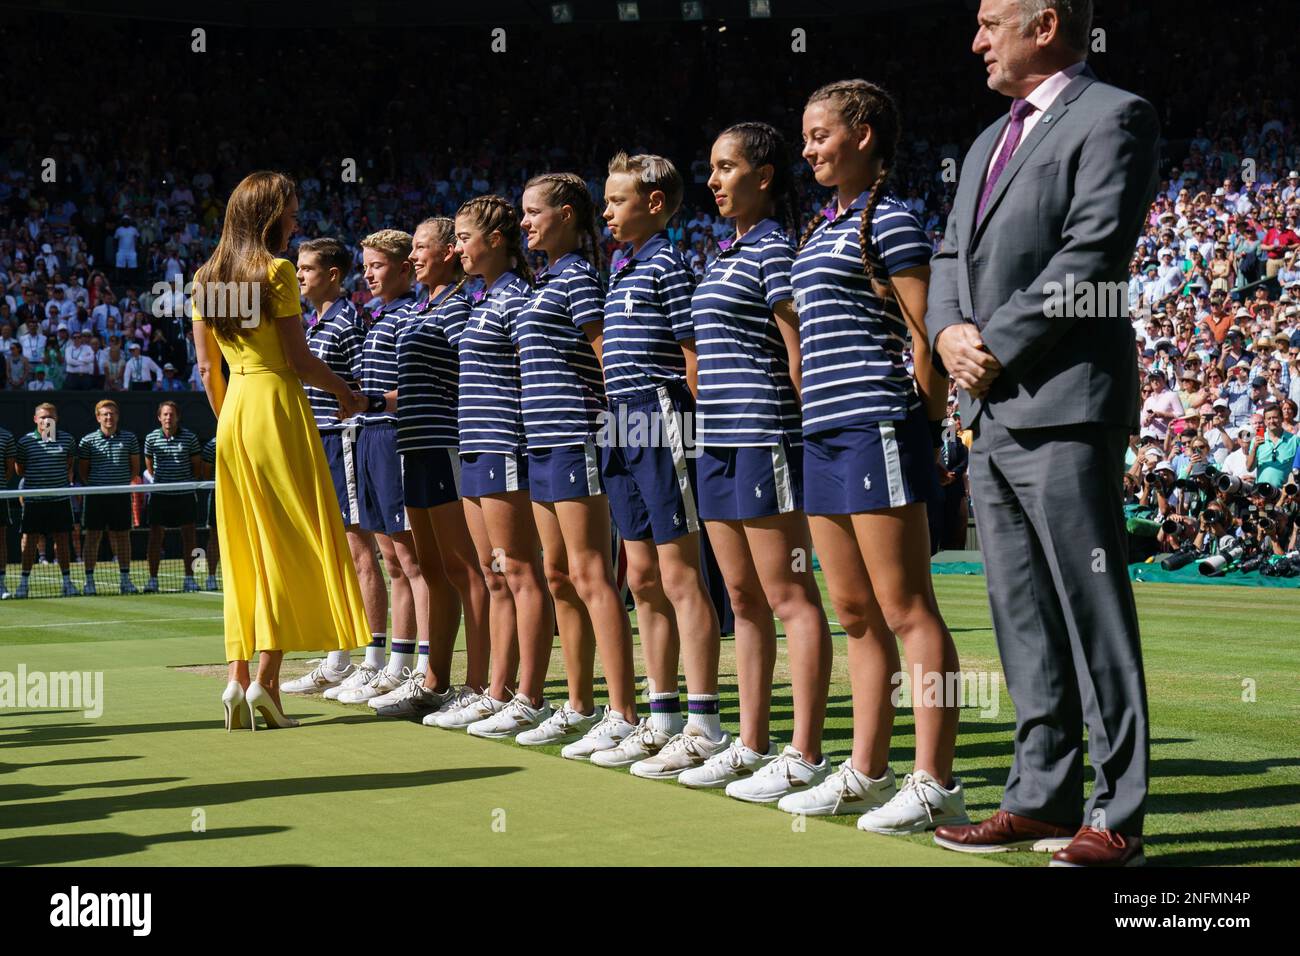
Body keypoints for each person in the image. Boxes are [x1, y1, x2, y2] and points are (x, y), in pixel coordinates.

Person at [928, 0, 1158, 867]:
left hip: (1064, 403)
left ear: (1046, 24)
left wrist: (993, 346)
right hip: (993, 409)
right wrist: (948, 333)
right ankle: (1037, 797)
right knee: (1021, 617)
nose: (975, 39)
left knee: (1090, 612)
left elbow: (1094, 251)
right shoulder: (987, 142)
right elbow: (951, 257)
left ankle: (1118, 817)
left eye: (990, 22)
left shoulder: (1115, 115)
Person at [674, 123, 834, 795]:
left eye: (726, 167)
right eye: (710, 168)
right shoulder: (722, 255)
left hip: (765, 436)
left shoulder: (774, 249)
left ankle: (804, 752)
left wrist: (809, 435)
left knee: (789, 595)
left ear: (763, 177)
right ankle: (749, 744)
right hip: (716, 443)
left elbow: (800, 354)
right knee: (739, 598)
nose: (712, 180)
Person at [191, 170, 369, 731]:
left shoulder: (205, 278)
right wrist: (347, 392)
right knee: (291, 544)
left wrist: (230, 424)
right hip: (278, 408)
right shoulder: (277, 271)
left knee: (243, 547)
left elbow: (205, 368)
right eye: (291, 210)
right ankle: (266, 683)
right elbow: (298, 360)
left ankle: (236, 680)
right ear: (269, 214)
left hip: (236, 414)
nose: (296, 220)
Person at [588, 152, 725, 771]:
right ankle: (662, 714)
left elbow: (691, 354)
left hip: (659, 410)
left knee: (677, 575)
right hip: (619, 417)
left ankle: (703, 723)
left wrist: (696, 428)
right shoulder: (622, 269)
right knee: (639, 577)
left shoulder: (667, 263)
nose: (607, 212)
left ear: (655, 205)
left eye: (617, 202)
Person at [512, 174, 640, 750]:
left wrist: (611, 432)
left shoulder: (581, 277)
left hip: (574, 439)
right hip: (540, 442)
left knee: (592, 574)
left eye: (533, 212)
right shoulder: (545, 279)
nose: (524, 222)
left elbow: (604, 355)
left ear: (566, 214)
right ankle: (581, 704)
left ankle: (622, 711)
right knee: (558, 575)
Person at [358, 218, 493, 723]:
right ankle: (434, 682)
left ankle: (478, 685)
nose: (413, 257)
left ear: (449, 254)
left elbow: (470, 377)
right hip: (411, 450)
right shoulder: (419, 308)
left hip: (445, 450)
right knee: (434, 571)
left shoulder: (460, 308)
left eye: (421, 248)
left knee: (466, 571)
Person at [431, 195, 556, 734]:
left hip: (506, 446)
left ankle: (528, 695)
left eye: (463, 238)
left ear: (495, 240)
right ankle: (494, 690)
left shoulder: (518, 299)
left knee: (520, 572)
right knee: (493, 574)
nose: (456, 247)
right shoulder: (482, 300)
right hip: (475, 448)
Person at [324, 230, 432, 706]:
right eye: (365, 265)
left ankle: (423, 665)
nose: (367, 273)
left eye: (378, 265)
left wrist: (365, 400)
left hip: (395, 439)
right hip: (370, 434)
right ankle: (394, 662)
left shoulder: (410, 314)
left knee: (411, 560)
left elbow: (416, 390)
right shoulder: (379, 317)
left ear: (405, 267)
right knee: (393, 560)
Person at [278, 237, 374, 695]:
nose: (299, 276)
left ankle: (369, 659)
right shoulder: (312, 322)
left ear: (333, 274)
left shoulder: (347, 320)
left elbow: (360, 387)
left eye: (308, 269)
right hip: (318, 442)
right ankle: (338, 656)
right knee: (332, 553)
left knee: (357, 549)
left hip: (344, 442)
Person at [13, 403, 78, 598]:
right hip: (34, 501)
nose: (46, 420)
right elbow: (20, 470)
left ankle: (67, 583)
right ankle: (23, 584)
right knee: (29, 541)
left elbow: (69, 465)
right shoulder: (25, 442)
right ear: (35, 419)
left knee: (62, 540)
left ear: (56, 419)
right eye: (42, 417)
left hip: (59, 500)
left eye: (50, 417)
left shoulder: (67, 440)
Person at [77, 399, 140, 595]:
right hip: (96, 496)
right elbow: (84, 472)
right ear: (98, 417)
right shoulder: (87, 441)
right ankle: (89, 581)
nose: (108, 417)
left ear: (118, 416)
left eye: (112, 413)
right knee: (92, 537)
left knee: (122, 537)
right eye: (104, 414)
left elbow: (135, 469)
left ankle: (125, 580)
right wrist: (99, 485)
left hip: (120, 496)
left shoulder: (130, 439)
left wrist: (119, 484)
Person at [142, 400, 203, 593]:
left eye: (172, 414)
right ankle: (152, 580)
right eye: (165, 414)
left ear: (178, 417)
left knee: (190, 538)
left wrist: (182, 482)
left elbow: (196, 467)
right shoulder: (151, 438)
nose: (169, 418)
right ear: (159, 417)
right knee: (155, 538)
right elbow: (149, 466)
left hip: (185, 495)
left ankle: (190, 579)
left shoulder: (190, 438)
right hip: (160, 495)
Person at [200, 435, 220, 590]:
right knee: (215, 536)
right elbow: (206, 474)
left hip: (244, 495)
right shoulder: (212, 445)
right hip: (218, 495)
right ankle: (211, 577)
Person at [0, 424, 15, 599]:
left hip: (0, 495)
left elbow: (10, 469)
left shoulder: (6, 436)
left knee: (0, 539)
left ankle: (0, 584)